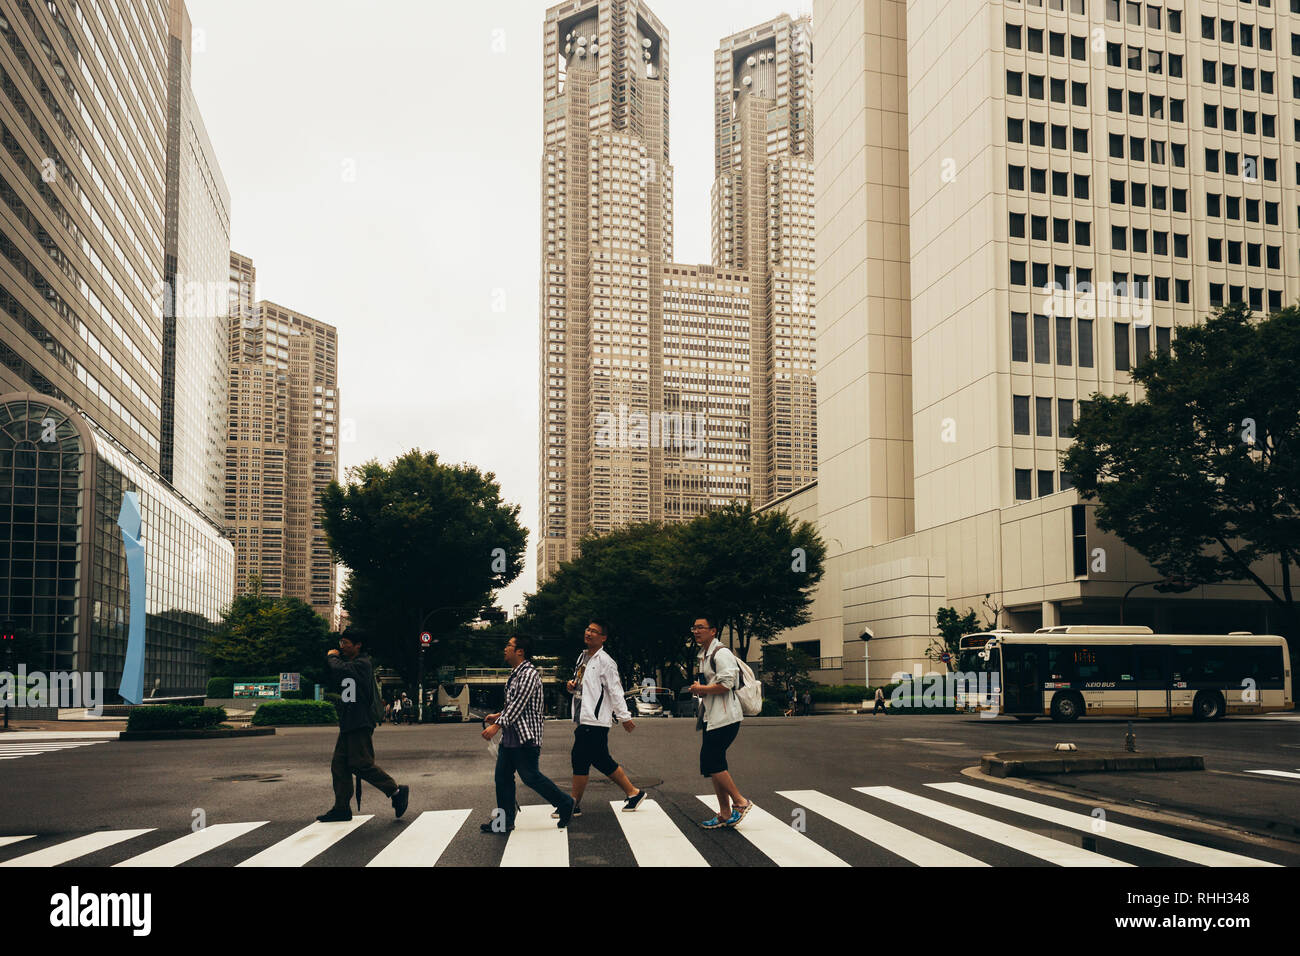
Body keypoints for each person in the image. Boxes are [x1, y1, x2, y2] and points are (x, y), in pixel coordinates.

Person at [480, 634, 574, 833]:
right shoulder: (516, 673)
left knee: (530, 776)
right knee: (502, 778)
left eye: (509, 645)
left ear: (520, 651)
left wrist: (496, 726)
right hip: (511, 736)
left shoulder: (529, 674)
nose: (505, 649)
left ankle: (565, 802)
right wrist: (497, 716)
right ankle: (504, 822)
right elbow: (512, 705)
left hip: (525, 736)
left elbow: (518, 705)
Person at [554, 620, 645, 819]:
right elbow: (581, 683)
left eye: (594, 631)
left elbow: (615, 691)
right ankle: (634, 793)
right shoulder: (583, 656)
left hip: (595, 720)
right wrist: (572, 685)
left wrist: (624, 717)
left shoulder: (606, 661)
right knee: (599, 759)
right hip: (583, 716)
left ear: (603, 637)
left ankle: (573, 804)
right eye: (588, 629)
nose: (589, 633)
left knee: (580, 757)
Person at [317, 629, 409, 823]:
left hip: (359, 722)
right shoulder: (350, 663)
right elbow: (337, 675)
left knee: (361, 764)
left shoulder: (363, 663)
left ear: (358, 645)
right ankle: (341, 808)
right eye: (340, 643)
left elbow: (340, 670)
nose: (341, 647)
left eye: (345, 643)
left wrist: (332, 658)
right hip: (349, 722)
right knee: (339, 765)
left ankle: (396, 791)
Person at [689, 615, 751, 829]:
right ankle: (724, 812)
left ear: (713, 631)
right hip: (712, 716)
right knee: (714, 763)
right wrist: (702, 688)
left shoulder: (721, 653)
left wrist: (701, 689)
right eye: (694, 628)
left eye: (701, 627)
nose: (696, 631)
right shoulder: (704, 654)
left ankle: (740, 802)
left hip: (726, 718)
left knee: (712, 760)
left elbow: (727, 684)